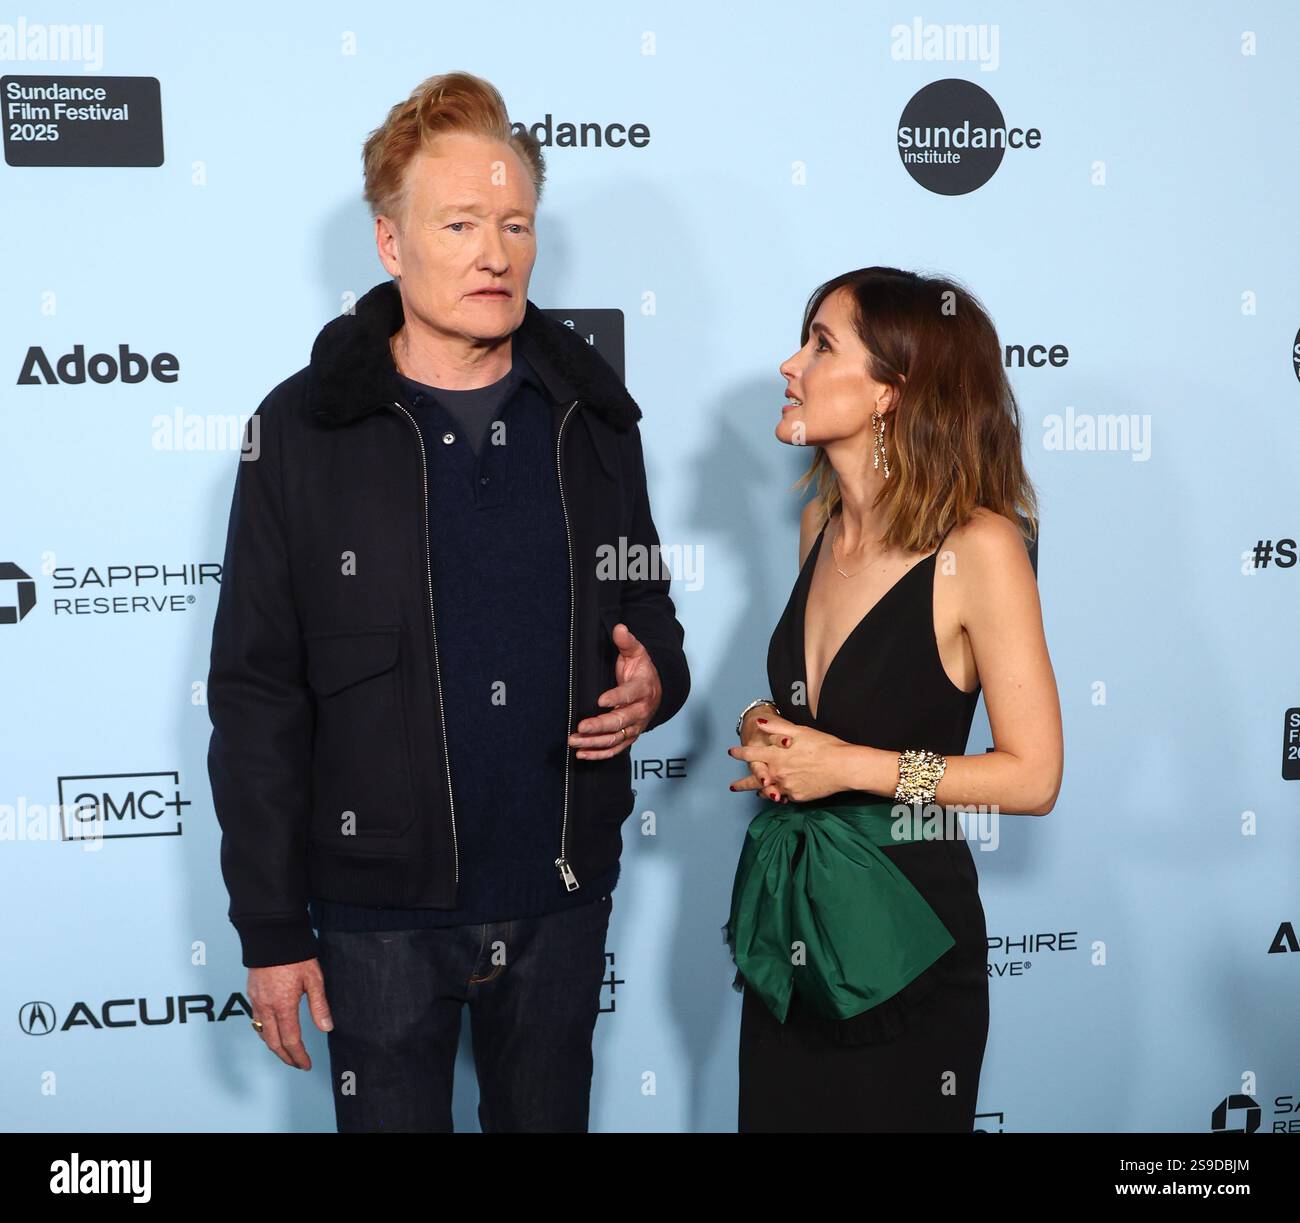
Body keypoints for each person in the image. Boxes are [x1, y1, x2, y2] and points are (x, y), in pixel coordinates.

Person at [205, 71, 690, 1132]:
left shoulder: (593, 418)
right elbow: (255, 693)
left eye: (514, 223)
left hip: (561, 893)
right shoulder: (300, 429)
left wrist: (656, 678)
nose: (494, 251)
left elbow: (651, 615)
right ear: (390, 244)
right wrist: (271, 926)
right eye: (460, 221)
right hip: (375, 911)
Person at [725, 266, 1063, 1132]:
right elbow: (824, 713)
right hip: (791, 930)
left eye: (822, 345)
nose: (790, 364)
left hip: (907, 944)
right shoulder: (820, 523)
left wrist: (849, 767)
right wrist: (769, 730)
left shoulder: (981, 548)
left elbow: (1032, 778)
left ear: (891, 391)